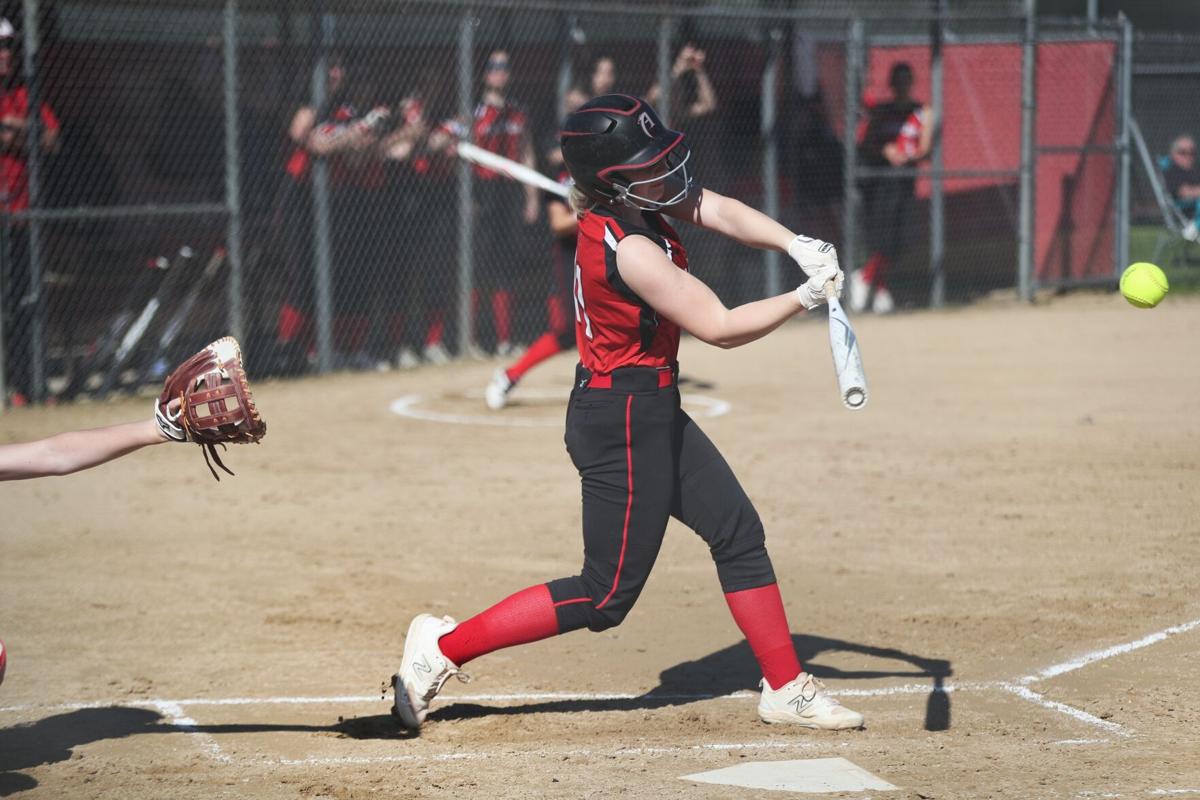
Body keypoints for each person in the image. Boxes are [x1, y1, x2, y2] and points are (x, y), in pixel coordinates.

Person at [391, 93, 863, 733]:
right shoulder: (629, 249)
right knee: (605, 594)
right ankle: (442, 648)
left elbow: (715, 207)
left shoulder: (639, 203)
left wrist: (793, 242)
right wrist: (803, 296)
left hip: (650, 405)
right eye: (647, 164)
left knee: (736, 532)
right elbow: (719, 326)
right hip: (621, 419)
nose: (665, 172)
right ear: (613, 181)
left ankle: (786, 686)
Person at [483, 150, 576, 409]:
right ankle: (510, 375)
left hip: (609, 250)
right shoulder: (562, 179)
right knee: (571, 330)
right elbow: (559, 224)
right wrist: (589, 212)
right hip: (573, 254)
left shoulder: (607, 171)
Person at [0, 15, 60, 406]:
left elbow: (51, 139)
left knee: (24, 303)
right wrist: (29, 135)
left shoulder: (23, 93)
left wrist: (13, 127)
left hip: (22, 220)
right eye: (0, 47)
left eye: (8, 46)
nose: (5, 54)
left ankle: (25, 387)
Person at [468, 49, 539, 357]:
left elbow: (526, 152)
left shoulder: (518, 111)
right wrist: (470, 197)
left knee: (505, 264)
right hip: (483, 191)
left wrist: (531, 196)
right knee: (478, 266)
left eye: (505, 66)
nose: (500, 72)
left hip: (510, 191)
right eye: (495, 66)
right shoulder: (474, 111)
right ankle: (470, 341)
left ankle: (504, 340)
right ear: (485, 74)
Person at [850, 62, 933, 314]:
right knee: (882, 237)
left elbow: (925, 147)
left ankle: (867, 277)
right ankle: (876, 286)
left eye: (906, 79)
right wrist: (886, 151)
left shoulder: (922, 111)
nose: (902, 85)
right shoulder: (882, 111)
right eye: (898, 80)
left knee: (899, 240)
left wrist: (909, 156)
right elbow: (867, 143)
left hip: (904, 181)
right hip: (881, 182)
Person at [1164, 134, 1199, 242]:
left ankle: (1194, 229)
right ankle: (1195, 228)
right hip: (1186, 209)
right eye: (1183, 152)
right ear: (1173, 153)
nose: (1188, 156)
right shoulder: (1172, 172)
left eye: (1192, 153)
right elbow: (1185, 192)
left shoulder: (1194, 171)